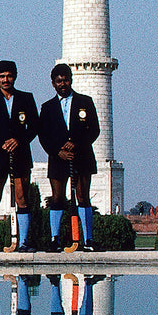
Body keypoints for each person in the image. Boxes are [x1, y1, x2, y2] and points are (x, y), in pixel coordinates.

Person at [0, 60, 39, 252]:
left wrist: (19, 141)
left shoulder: (26, 98)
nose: (6, 80)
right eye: (2, 76)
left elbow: (35, 126)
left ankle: (23, 242)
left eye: (9, 76)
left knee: (22, 198)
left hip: (20, 154)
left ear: (15, 76)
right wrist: (0, 143)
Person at [38, 63, 102, 251]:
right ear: (53, 83)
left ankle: (88, 240)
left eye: (66, 80)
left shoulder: (85, 102)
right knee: (57, 198)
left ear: (71, 80)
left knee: (83, 197)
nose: (63, 84)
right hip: (58, 158)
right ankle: (55, 239)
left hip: (81, 156)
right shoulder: (48, 107)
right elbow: (43, 135)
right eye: (59, 81)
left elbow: (94, 130)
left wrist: (77, 143)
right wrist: (58, 151)